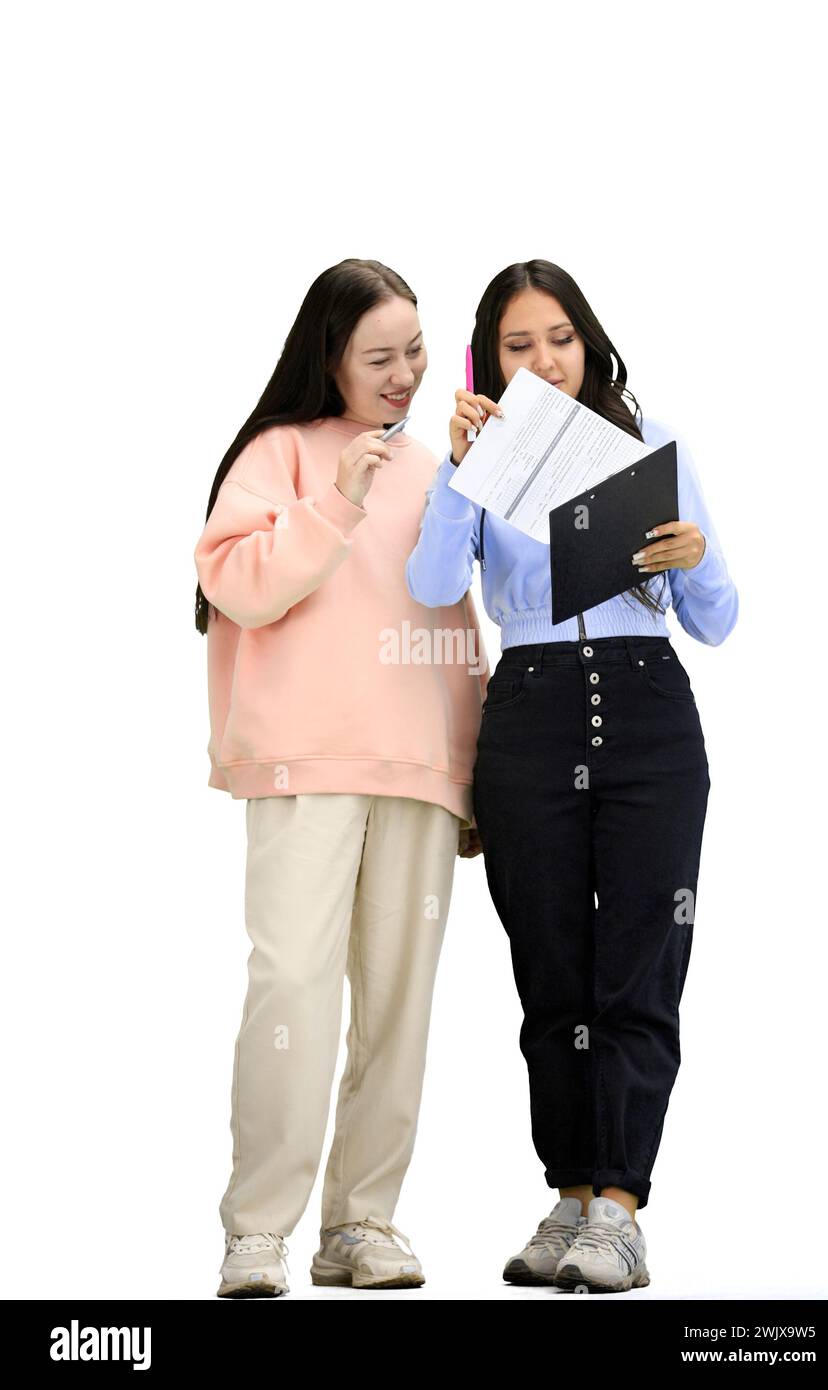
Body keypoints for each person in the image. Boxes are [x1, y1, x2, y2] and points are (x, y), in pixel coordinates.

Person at [405, 258, 738, 1294]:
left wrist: (686, 559)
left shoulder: (644, 448)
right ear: (487, 363)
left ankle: (619, 1207)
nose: (541, 358)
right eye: (516, 345)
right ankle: (566, 1190)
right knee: (551, 968)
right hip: (531, 711)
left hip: (646, 711)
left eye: (557, 336)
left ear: (586, 342)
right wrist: (461, 473)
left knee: (639, 960)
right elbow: (426, 584)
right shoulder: (479, 463)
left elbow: (718, 619)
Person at [193, 259, 487, 1296]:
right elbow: (232, 578)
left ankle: (361, 1222)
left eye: (415, 350)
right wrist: (337, 499)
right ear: (328, 356)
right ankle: (258, 1230)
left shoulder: (438, 465)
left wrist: (473, 766)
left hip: (417, 770)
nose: (405, 374)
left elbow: (451, 617)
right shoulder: (277, 452)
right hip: (303, 763)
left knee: (399, 1004)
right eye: (379, 356)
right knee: (293, 989)